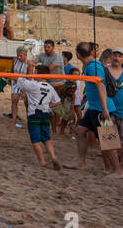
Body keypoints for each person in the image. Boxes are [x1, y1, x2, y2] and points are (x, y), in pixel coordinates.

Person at [69, 42, 121, 175]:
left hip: (102, 108)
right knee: (80, 131)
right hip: (93, 108)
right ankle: (81, 163)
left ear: (78, 55)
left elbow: (101, 87)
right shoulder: (91, 65)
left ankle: (117, 170)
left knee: (108, 139)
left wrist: (104, 109)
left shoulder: (94, 67)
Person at [17, 66, 63, 170]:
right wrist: (47, 106)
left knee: (35, 140)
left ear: (37, 74)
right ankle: (53, 157)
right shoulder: (50, 87)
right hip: (45, 114)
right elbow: (58, 101)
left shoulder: (34, 85)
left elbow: (20, 79)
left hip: (34, 114)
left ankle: (42, 161)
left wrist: (28, 70)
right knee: (46, 138)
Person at [9, 46, 30, 126]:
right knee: (14, 100)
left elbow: (29, 78)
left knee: (27, 103)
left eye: (21, 56)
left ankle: (29, 120)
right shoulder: (15, 61)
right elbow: (11, 71)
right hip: (15, 83)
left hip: (25, 84)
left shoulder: (29, 64)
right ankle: (14, 119)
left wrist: (25, 90)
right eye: (18, 55)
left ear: (25, 55)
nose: (19, 57)